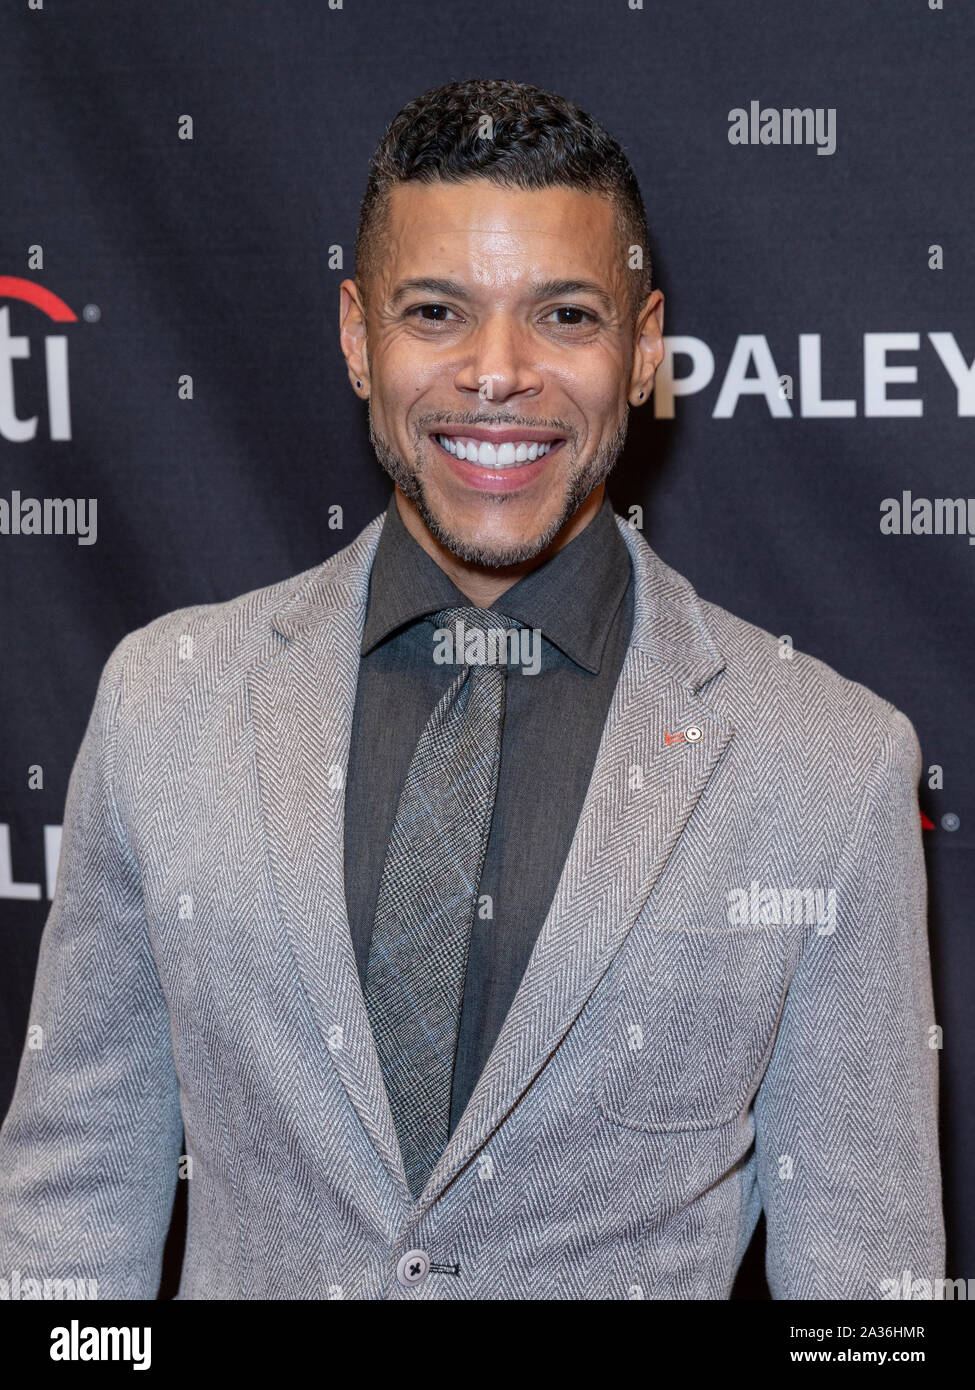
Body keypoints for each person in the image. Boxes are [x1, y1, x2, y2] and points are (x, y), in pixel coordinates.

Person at [0, 78, 944, 1300]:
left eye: (563, 315)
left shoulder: (829, 762)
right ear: (356, 337)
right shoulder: (162, 702)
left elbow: (864, 1305)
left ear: (645, 346)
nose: (497, 376)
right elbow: (68, 1237)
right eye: (437, 311)